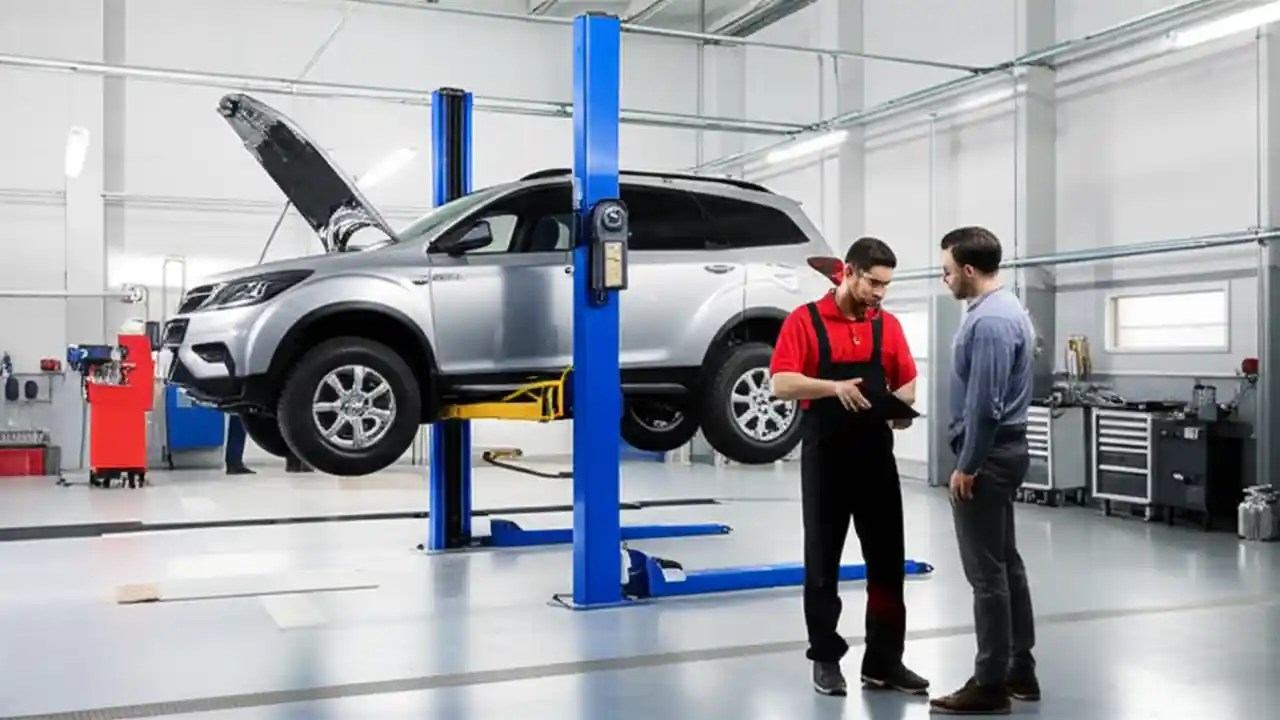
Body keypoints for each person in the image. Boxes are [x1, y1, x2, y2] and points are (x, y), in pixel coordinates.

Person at [770, 236, 929, 698]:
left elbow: (909, 383)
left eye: (886, 286)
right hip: (826, 458)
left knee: (887, 563)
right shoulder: (806, 321)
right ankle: (825, 659)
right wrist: (833, 387)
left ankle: (884, 662)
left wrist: (899, 410)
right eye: (874, 283)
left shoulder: (888, 325)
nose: (880, 293)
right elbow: (781, 382)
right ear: (850, 272)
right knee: (823, 564)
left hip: (876, 457)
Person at [929, 226, 1040, 715]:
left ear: (969, 270)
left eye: (948, 270)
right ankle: (1021, 670)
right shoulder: (1005, 307)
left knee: (986, 575)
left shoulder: (991, 322)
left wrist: (967, 465)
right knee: (1006, 562)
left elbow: (986, 407)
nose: (944, 277)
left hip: (989, 457)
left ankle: (990, 683)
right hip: (1004, 452)